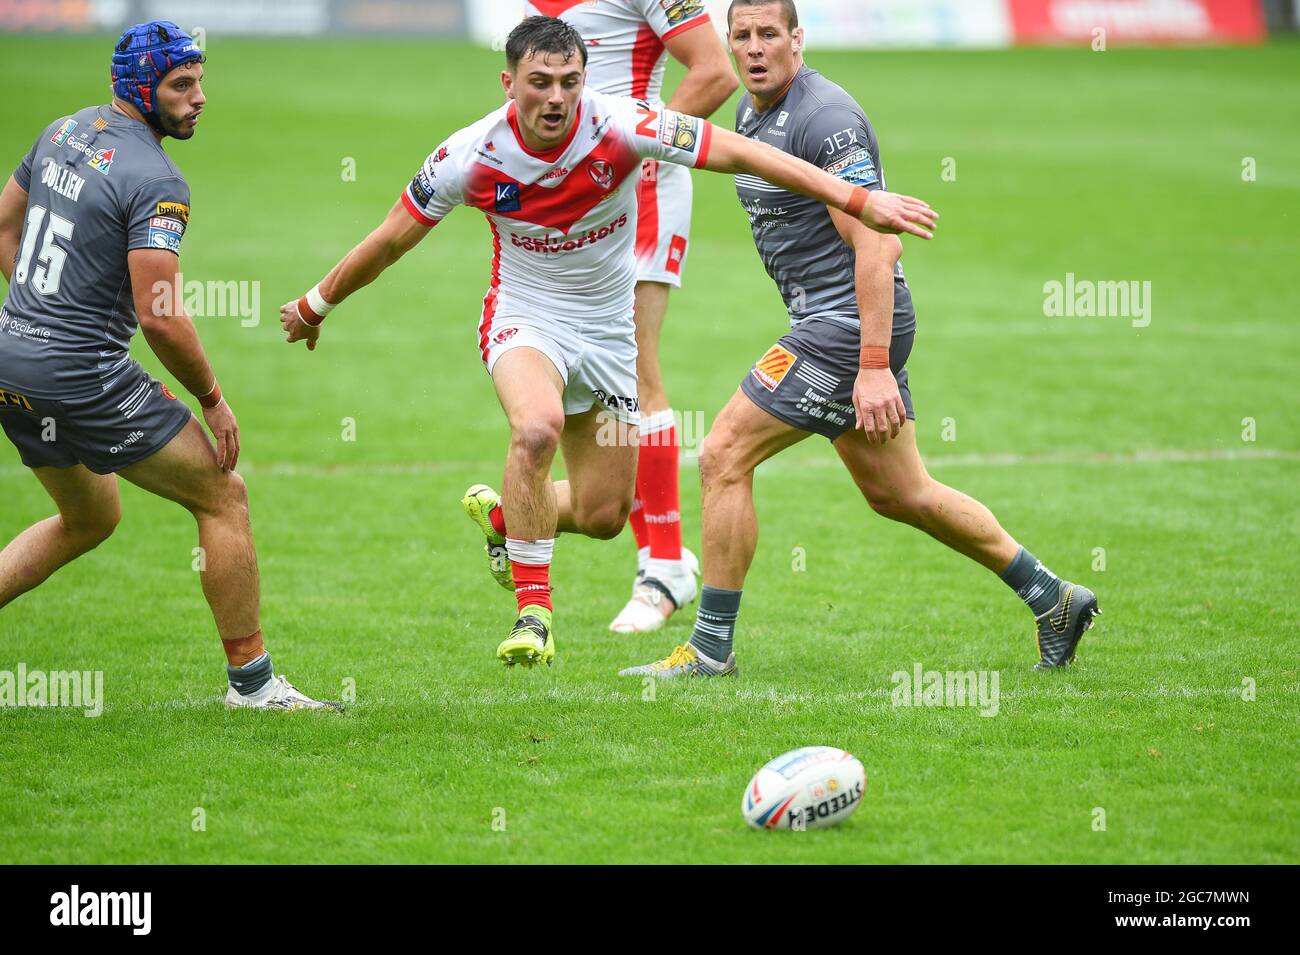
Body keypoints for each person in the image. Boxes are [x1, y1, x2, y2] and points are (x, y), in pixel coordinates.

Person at [279, 15, 936, 669]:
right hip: (525, 320)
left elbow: (737, 150)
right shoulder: (468, 156)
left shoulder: (621, 124)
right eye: (540, 82)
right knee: (534, 431)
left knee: (602, 512)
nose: (556, 97)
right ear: (509, 84)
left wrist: (856, 198)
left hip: (607, 335)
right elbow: (393, 236)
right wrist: (316, 303)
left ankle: (514, 520)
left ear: (585, 81)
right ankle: (535, 614)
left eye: (569, 81)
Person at [621, 0, 1099, 679]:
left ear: (798, 39)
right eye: (742, 37)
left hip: (846, 327)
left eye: (769, 35)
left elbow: (877, 241)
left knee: (723, 453)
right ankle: (1054, 597)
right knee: (901, 493)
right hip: (839, 324)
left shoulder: (827, 120)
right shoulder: (752, 112)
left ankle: (708, 651)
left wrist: (872, 365)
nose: (754, 49)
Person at [0, 21, 339, 711]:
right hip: (78, 374)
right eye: (181, 86)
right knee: (223, 494)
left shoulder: (62, 131)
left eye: (199, 82)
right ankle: (254, 685)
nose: (198, 97)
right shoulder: (157, 179)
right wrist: (212, 398)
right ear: (140, 87)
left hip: (12, 359)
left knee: (90, 520)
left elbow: (3, 229)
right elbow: (160, 315)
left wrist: (40, 311)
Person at [522, 0, 738, 633]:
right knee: (597, 375)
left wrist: (631, 155)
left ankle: (665, 563)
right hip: (569, 193)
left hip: (636, 188)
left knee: (638, 373)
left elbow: (714, 72)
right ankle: (634, 546)